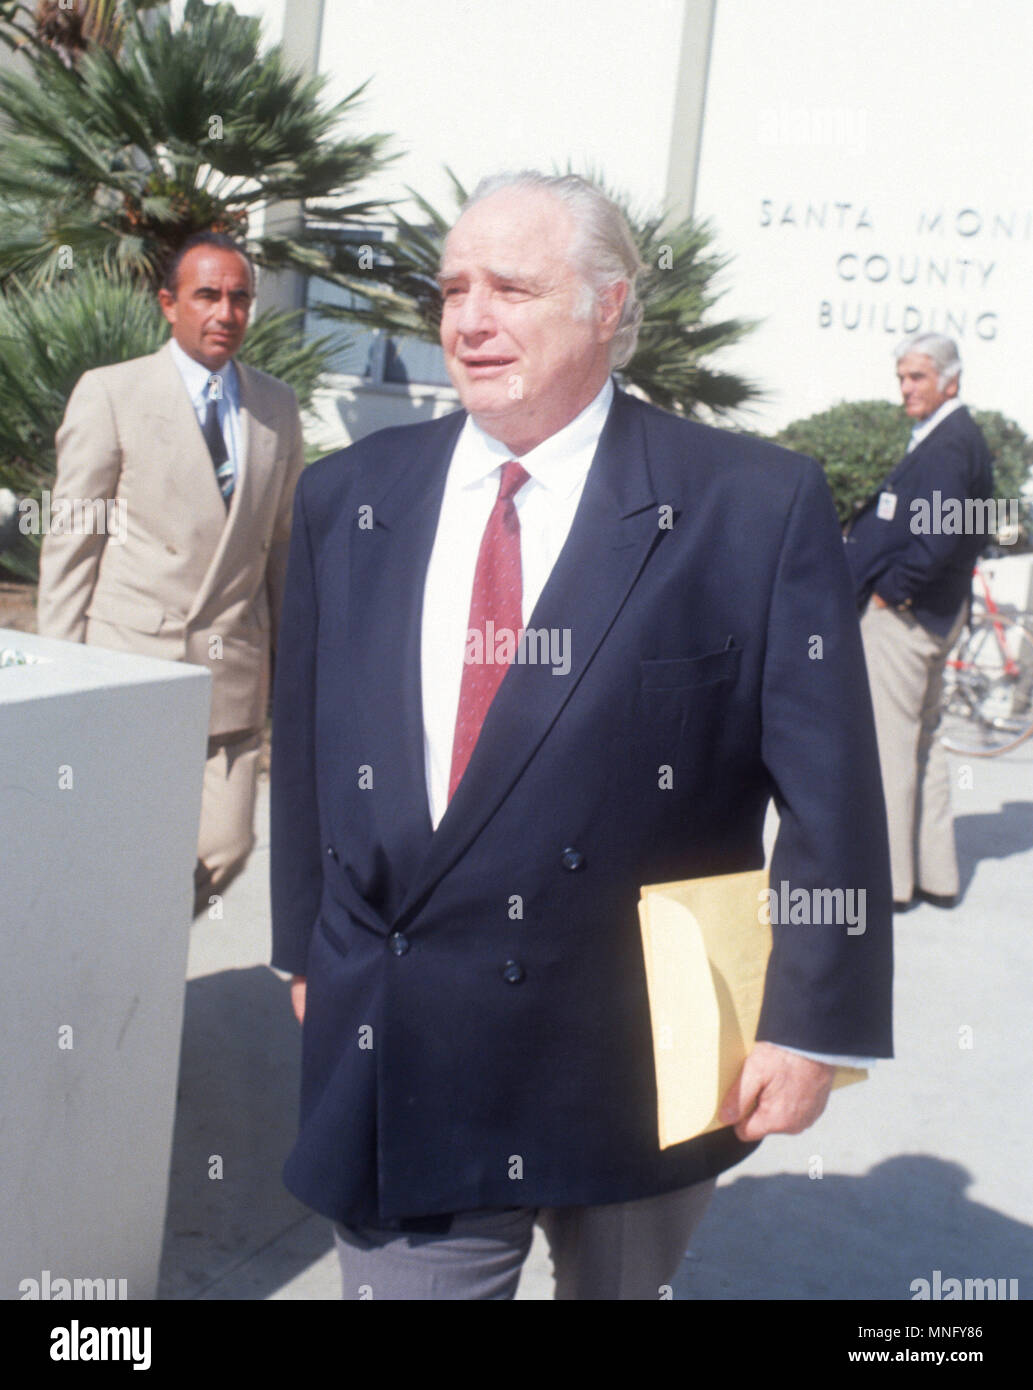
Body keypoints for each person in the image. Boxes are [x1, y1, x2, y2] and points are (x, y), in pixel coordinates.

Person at [270, 172, 893, 1300]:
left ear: (608, 307)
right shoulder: (346, 497)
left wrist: (812, 1020)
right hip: (406, 1036)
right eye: (453, 287)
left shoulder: (748, 505)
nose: (467, 318)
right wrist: (300, 946)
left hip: (636, 1051)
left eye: (511, 286)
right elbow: (308, 740)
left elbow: (829, 791)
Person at [37, 232, 305, 916]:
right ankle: (129, 977)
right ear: (168, 304)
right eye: (207, 295)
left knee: (226, 843)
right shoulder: (113, 393)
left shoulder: (276, 408)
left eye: (239, 298)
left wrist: (296, 662)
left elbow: (279, 546)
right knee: (121, 849)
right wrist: (57, 676)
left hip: (233, 674)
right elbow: (73, 542)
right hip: (131, 666)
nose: (226, 312)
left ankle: (138, 939)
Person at [844, 333, 993, 908]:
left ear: (950, 380)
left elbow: (940, 538)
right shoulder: (952, 437)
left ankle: (891, 883)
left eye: (918, 377)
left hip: (906, 622)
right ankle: (937, 876)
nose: (905, 388)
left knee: (891, 750)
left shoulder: (951, 444)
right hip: (933, 614)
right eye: (902, 377)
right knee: (925, 745)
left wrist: (889, 596)